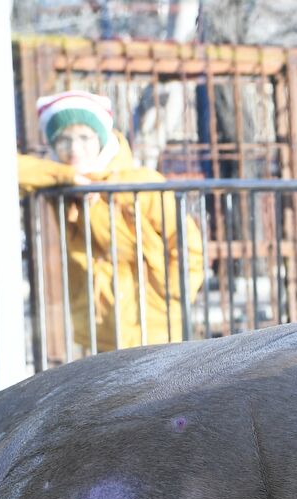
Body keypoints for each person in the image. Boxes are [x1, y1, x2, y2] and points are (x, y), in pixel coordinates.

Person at [17, 90, 203, 355]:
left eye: (85, 137)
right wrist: (65, 175)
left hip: (154, 321)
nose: (74, 149)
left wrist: (173, 293)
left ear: (101, 139)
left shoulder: (139, 181)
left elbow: (187, 242)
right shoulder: (59, 183)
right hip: (98, 326)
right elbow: (4, 170)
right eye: (64, 139)